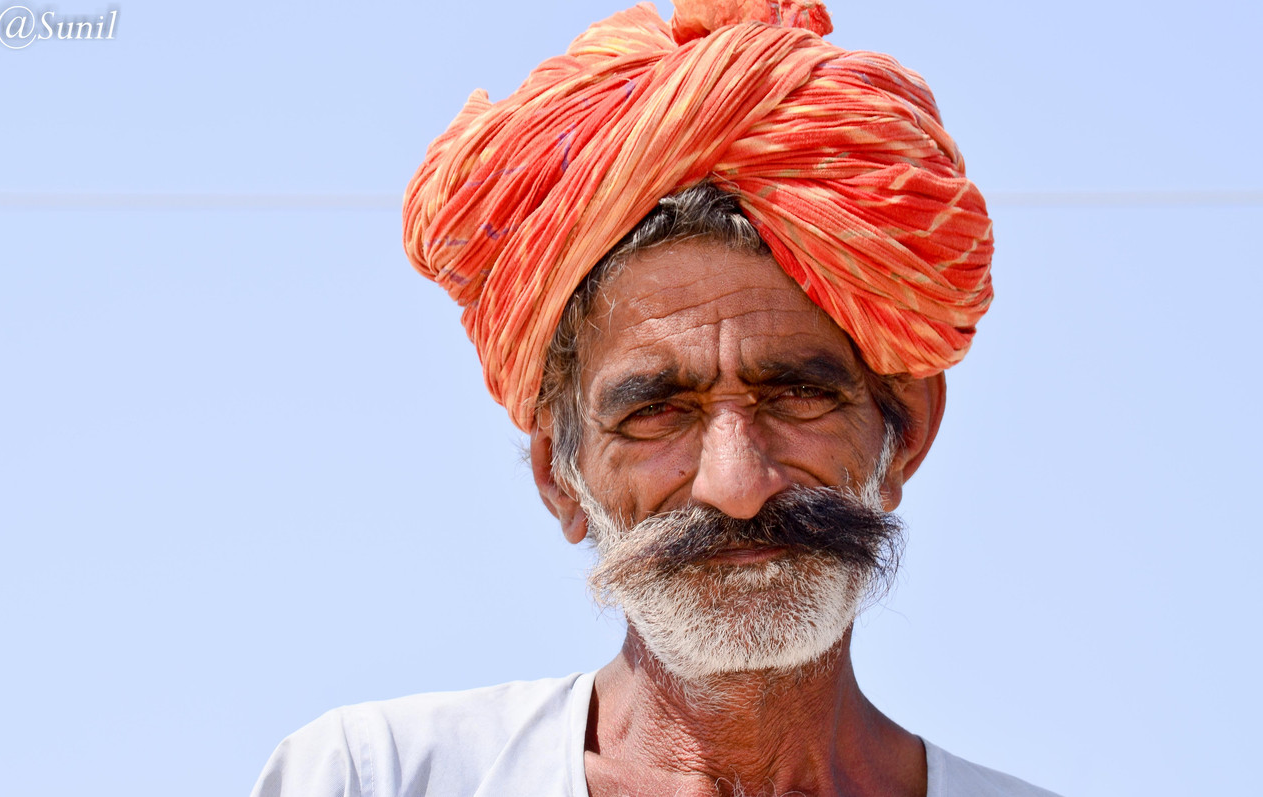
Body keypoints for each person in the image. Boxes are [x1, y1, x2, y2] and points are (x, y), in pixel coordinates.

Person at [252, 1, 1060, 795]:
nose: (738, 487)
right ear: (560, 477)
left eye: (796, 396)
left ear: (906, 433)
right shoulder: (377, 778)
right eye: (657, 413)